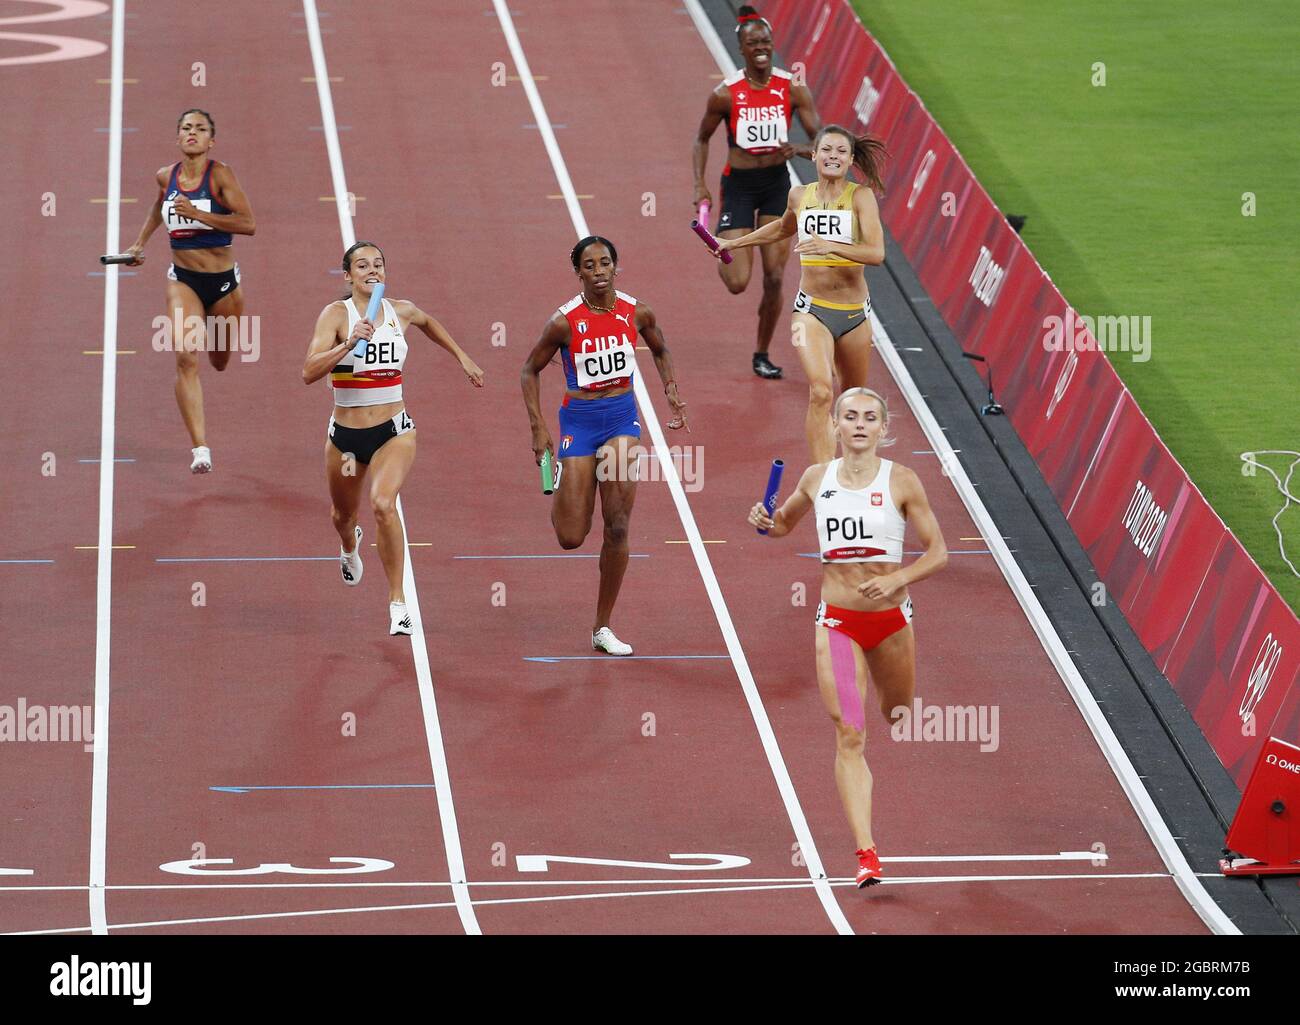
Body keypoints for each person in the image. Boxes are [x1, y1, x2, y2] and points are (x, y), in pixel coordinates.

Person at [748, 388, 946, 886]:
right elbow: (782, 525)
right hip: (838, 624)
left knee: (897, 713)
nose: (859, 424)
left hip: (892, 622)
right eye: (850, 416)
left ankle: (889, 704)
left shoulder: (902, 480)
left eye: (870, 417)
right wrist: (764, 522)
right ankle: (866, 853)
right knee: (851, 733)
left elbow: (938, 553)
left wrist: (897, 580)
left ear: (883, 428)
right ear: (834, 426)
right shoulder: (818, 478)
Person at [302, 241, 484, 635]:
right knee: (342, 516)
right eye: (362, 265)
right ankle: (349, 545)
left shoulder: (400, 310)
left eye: (379, 264)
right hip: (346, 437)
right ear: (347, 275)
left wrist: (461, 356)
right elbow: (308, 371)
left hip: (393, 430)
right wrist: (348, 343)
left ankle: (397, 602)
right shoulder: (336, 316)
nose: (373, 271)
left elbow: (428, 322)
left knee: (384, 503)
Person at [521, 236, 688, 655]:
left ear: (617, 267)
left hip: (620, 419)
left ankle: (602, 627)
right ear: (578, 272)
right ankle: (565, 477)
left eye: (605, 263)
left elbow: (661, 347)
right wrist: (538, 427)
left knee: (616, 526)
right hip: (578, 421)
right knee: (571, 537)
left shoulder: (637, 312)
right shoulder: (563, 321)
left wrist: (670, 389)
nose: (599, 272)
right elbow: (529, 370)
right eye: (589, 266)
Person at [718, 125, 886, 462]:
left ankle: (856, 470)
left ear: (851, 159)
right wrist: (734, 242)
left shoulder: (860, 198)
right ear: (813, 154)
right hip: (811, 311)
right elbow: (782, 228)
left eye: (841, 151)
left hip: (854, 314)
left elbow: (876, 253)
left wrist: (830, 246)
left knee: (851, 400)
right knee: (822, 392)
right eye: (827, 150)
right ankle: (824, 479)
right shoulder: (799, 196)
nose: (833, 156)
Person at [692, 4, 821, 380]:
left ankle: (761, 353)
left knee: (776, 277)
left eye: (766, 40)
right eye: (754, 43)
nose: (762, 47)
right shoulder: (725, 95)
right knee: (737, 282)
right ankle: (721, 240)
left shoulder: (792, 88)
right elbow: (701, 139)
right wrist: (700, 184)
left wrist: (796, 150)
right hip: (739, 188)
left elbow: (822, 142)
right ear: (742, 50)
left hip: (777, 186)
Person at [124, 109, 256, 473]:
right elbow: (158, 206)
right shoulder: (166, 176)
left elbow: (248, 223)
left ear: (211, 141)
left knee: (219, 360)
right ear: (178, 137)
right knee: (185, 358)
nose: (192, 133)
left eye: (200, 129)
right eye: (186, 128)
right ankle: (200, 448)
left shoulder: (220, 177)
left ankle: (220, 349)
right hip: (183, 280)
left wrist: (199, 216)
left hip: (224, 283)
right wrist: (138, 245)